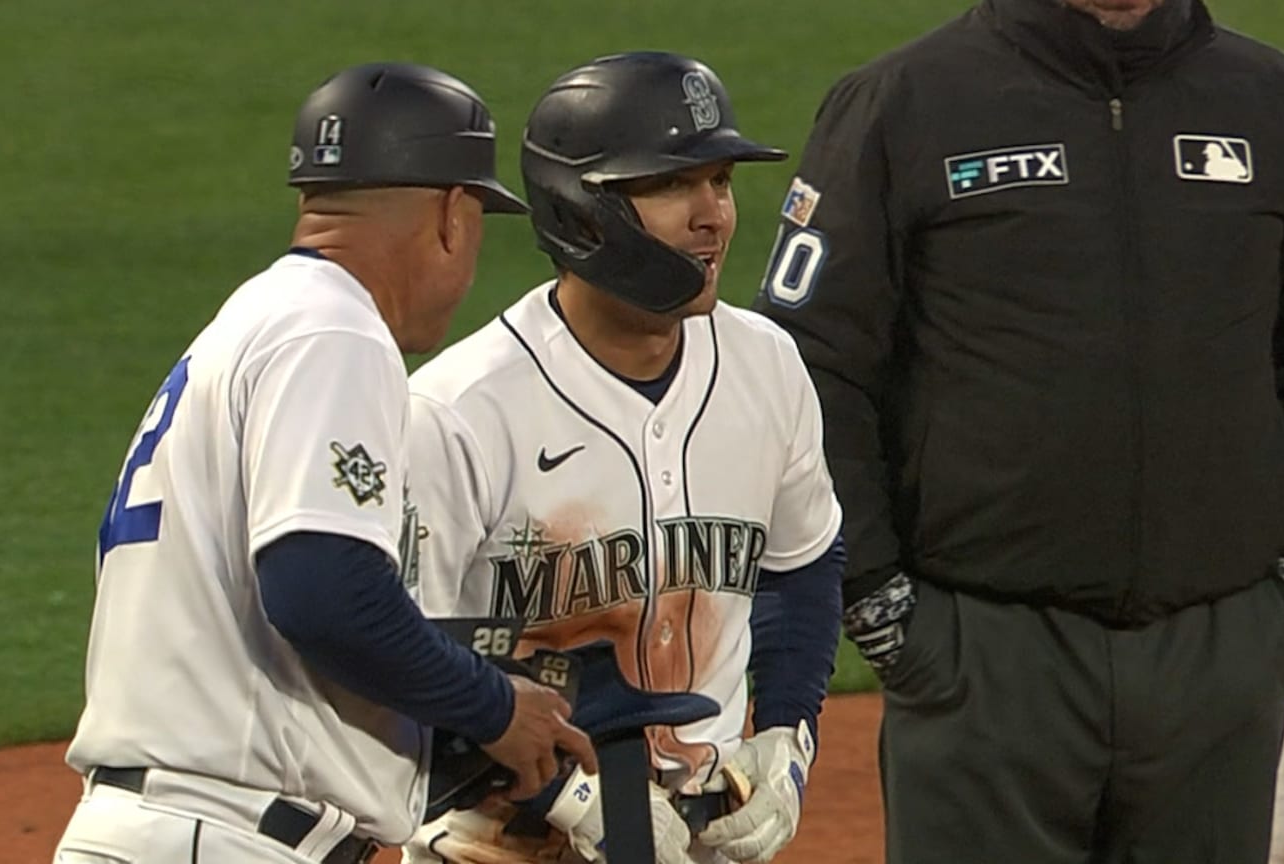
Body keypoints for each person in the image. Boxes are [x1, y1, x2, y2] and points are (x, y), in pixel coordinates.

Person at [751, 1, 1284, 862]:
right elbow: (809, 364)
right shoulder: (905, 102)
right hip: (982, 658)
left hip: (1219, 660)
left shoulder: (1279, 102)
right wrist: (874, 597)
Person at [53, 62, 597, 864]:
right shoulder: (334, 331)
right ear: (452, 214)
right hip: (228, 836)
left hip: (172, 824)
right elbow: (321, 591)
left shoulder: (255, 319)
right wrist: (492, 708)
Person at [399, 52, 846, 864]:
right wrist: (567, 798)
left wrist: (788, 733)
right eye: (673, 186)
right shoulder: (459, 412)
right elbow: (401, 656)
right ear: (582, 212)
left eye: (720, 181)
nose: (714, 216)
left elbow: (800, 565)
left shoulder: (767, 366)